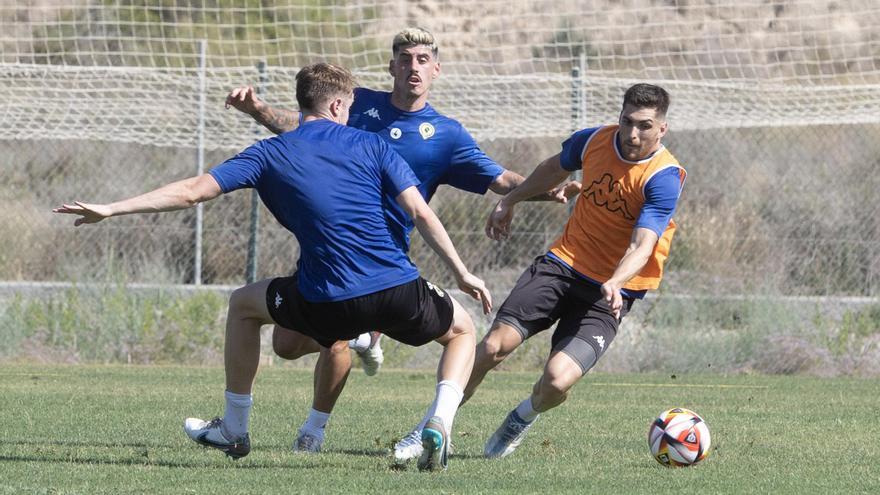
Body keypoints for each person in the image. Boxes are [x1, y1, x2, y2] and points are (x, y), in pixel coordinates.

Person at [54, 62, 491, 472]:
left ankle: (234, 427)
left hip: (327, 302)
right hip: (396, 287)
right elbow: (420, 213)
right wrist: (461, 273)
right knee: (462, 330)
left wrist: (111, 209)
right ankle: (438, 421)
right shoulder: (373, 144)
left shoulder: (267, 153)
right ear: (338, 105)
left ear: (303, 104)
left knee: (244, 305)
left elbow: (191, 192)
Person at [225, 27, 573, 460]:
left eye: (423, 59)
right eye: (405, 58)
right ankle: (362, 340)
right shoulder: (356, 106)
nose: (414, 67)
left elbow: (500, 179)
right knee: (286, 345)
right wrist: (257, 108)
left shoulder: (445, 135)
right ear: (392, 67)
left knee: (340, 330)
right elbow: (300, 128)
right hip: (330, 246)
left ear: (436, 70)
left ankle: (314, 429)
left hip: (384, 260)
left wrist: (540, 190)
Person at [465, 83, 687, 458]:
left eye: (645, 126)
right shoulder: (593, 141)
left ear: (662, 129)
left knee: (556, 381)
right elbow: (553, 167)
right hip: (563, 264)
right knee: (491, 346)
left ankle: (520, 419)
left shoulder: (664, 177)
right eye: (627, 122)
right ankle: (434, 424)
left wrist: (616, 282)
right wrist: (511, 199)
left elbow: (642, 245)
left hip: (613, 291)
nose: (633, 134)